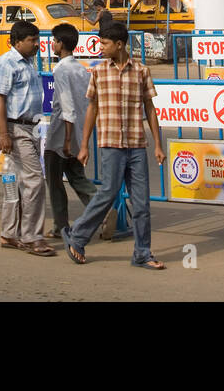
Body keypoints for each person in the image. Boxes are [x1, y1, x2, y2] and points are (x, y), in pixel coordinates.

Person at [62, 21, 167, 270]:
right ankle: (77, 237)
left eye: (105, 44)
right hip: (110, 144)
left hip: (136, 145)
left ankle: (142, 253)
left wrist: (158, 145)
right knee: (107, 193)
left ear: (119, 45)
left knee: (141, 202)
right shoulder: (98, 72)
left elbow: (150, 109)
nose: (101, 48)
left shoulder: (141, 72)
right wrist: (84, 144)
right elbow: (92, 109)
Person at [0, 20, 54, 256]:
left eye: (37, 40)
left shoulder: (29, 62)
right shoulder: (7, 63)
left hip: (31, 128)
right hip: (16, 130)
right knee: (34, 181)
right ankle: (32, 237)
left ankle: (9, 233)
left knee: (13, 184)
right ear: (18, 41)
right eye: (32, 41)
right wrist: (4, 134)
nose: (37, 45)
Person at [43, 23, 98, 239]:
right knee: (77, 176)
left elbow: (67, 106)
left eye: (55, 40)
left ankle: (60, 225)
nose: (52, 44)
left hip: (61, 134)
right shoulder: (81, 69)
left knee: (55, 180)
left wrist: (66, 139)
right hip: (78, 133)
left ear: (61, 44)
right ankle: (101, 210)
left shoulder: (61, 70)